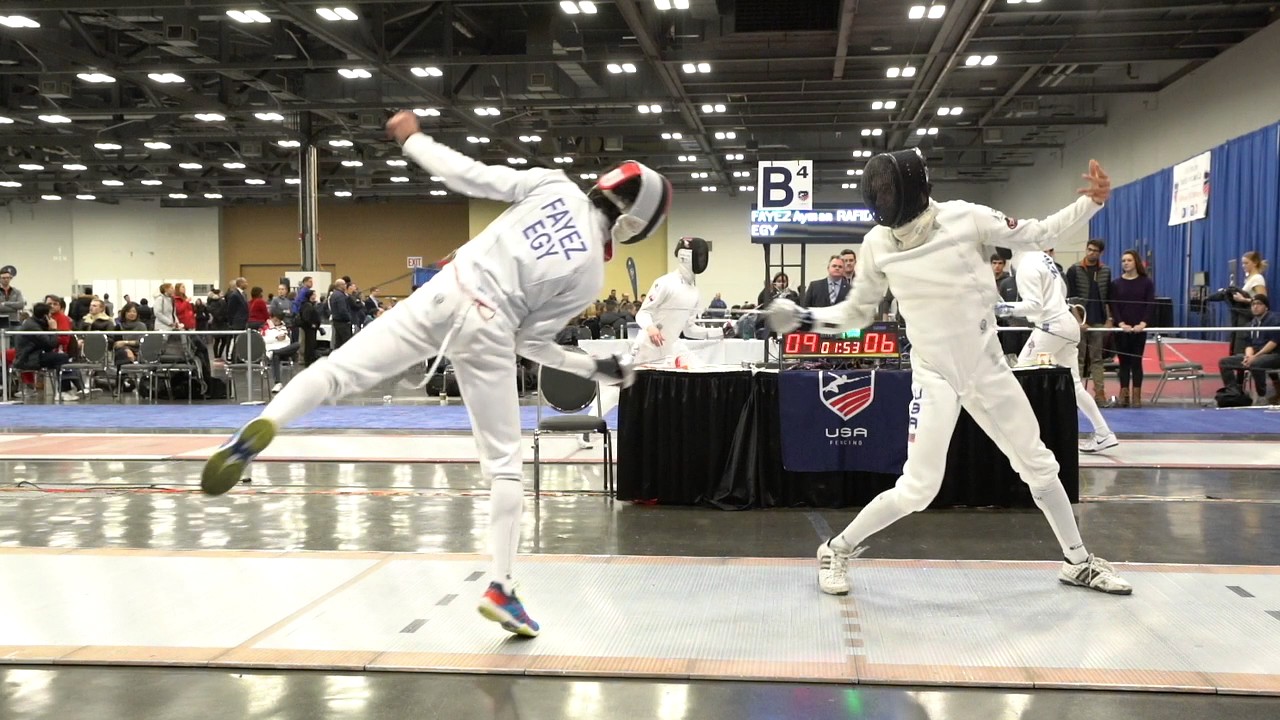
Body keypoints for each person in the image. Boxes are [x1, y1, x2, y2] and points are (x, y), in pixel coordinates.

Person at [202, 109, 672, 637]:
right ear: (636, 226)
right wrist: (592, 364)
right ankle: (501, 587)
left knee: (336, 371)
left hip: (444, 291)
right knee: (504, 466)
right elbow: (531, 343)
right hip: (491, 329)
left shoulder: (552, 186)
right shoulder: (588, 275)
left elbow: (467, 174)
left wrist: (414, 140)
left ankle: (261, 427)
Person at [764, 150, 1131, 597]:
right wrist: (804, 318)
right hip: (934, 373)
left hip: (986, 366)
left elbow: (1038, 232)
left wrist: (1091, 202)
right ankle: (835, 549)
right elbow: (856, 312)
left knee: (1038, 464)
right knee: (919, 488)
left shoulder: (966, 218)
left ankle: (1078, 562)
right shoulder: (877, 242)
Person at [996, 249, 1117, 452]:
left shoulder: (1025, 265)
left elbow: (1034, 306)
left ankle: (1017, 438)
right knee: (1075, 385)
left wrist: (999, 308)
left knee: (1019, 375)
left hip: (1052, 327)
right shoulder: (1042, 258)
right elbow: (1061, 290)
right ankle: (1103, 433)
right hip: (1067, 323)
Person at [631, 237, 732, 365]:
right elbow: (643, 313)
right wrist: (651, 328)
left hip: (670, 350)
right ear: (685, 256)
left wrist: (720, 332)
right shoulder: (665, 283)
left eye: (702, 256)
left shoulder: (695, 292)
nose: (701, 260)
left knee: (698, 371)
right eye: (699, 255)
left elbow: (689, 330)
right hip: (647, 350)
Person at [1064, 238, 1113, 405]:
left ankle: (1100, 394)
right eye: (1089, 249)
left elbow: (1107, 298)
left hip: (1098, 321)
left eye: (1095, 251)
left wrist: (1109, 319)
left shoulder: (1106, 271)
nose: (1092, 252)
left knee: (1097, 359)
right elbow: (1070, 299)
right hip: (1078, 321)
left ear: (1100, 253)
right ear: (1086, 249)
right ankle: (1077, 396)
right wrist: (1079, 321)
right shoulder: (1074, 270)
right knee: (1078, 358)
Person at [1108, 250, 1156, 407]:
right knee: (1123, 363)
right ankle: (1124, 395)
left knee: (1136, 362)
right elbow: (1113, 306)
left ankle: (1136, 396)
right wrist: (1120, 323)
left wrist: (1143, 323)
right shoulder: (1116, 284)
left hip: (1139, 329)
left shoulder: (1146, 282)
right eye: (1123, 261)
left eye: (1128, 260)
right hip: (1122, 330)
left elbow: (1150, 304)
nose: (1125, 263)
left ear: (1136, 262)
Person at [1217, 295, 1280, 401]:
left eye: (1259, 304)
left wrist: (1255, 357)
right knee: (1224, 362)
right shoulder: (1251, 324)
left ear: (1266, 307)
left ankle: (1262, 395)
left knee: (1255, 363)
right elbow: (1249, 344)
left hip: (1274, 355)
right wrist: (1248, 356)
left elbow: (1273, 342)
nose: (1255, 307)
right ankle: (1233, 393)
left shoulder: (1275, 320)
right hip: (1255, 355)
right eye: (1253, 304)